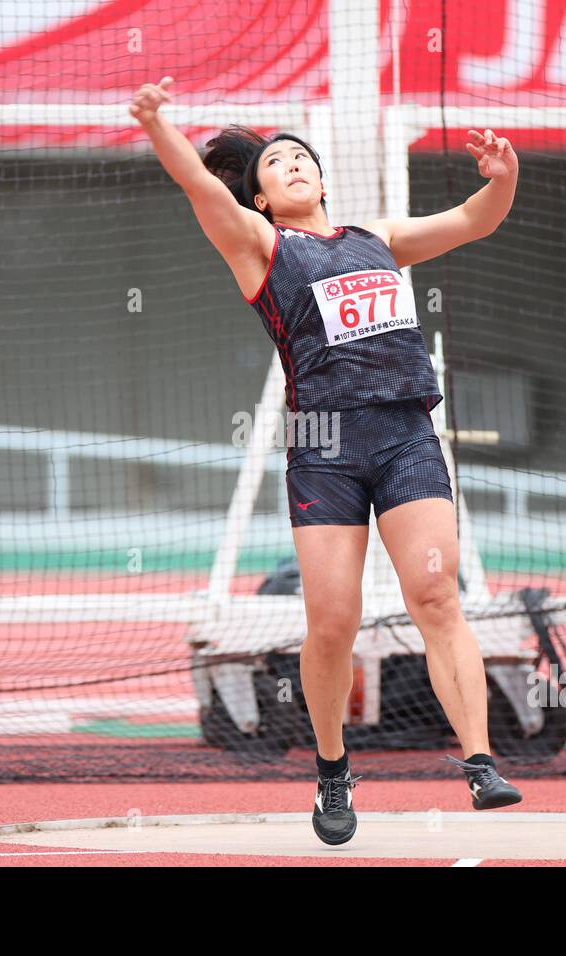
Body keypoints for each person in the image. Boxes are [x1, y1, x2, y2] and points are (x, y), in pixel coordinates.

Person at [132, 76, 522, 845]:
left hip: (407, 434)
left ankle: (480, 761)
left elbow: (476, 220)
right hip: (325, 449)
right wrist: (157, 125)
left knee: (436, 593)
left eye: (302, 156)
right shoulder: (259, 247)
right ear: (263, 198)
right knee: (333, 622)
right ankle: (334, 770)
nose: (295, 163)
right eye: (276, 163)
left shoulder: (376, 239)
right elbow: (195, 185)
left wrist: (504, 176)